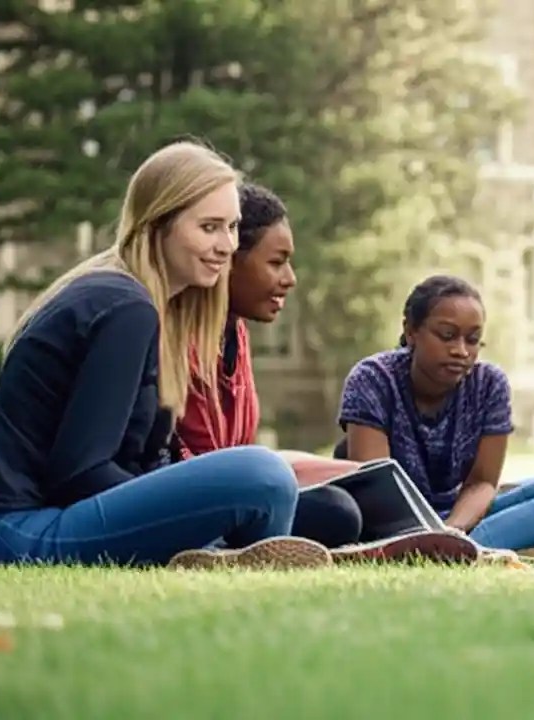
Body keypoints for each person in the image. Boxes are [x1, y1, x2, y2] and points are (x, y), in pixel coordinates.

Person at [0, 141, 328, 570]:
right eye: (209, 228)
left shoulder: (148, 302)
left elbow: (140, 459)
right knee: (262, 476)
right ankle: (233, 558)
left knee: (317, 506)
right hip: (18, 532)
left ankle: (225, 557)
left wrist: (185, 505)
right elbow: (78, 472)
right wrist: (182, 512)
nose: (227, 245)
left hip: (41, 519)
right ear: (158, 225)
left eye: (231, 227)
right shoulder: (125, 306)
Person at [172, 184, 473, 563]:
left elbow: (238, 450)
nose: (290, 278)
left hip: (241, 491)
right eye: (276, 262)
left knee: (355, 489)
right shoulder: (180, 339)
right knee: (338, 511)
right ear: (231, 259)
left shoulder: (236, 335)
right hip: (203, 501)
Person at [336, 274, 534, 553]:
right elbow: (377, 487)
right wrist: (430, 532)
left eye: (473, 340)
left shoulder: (489, 384)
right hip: (390, 520)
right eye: (447, 336)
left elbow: (483, 482)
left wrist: (453, 530)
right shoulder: (373, 378)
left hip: (462, 514)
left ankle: (457, 550)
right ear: (411, 331)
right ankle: (471, 549)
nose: (461, 351)